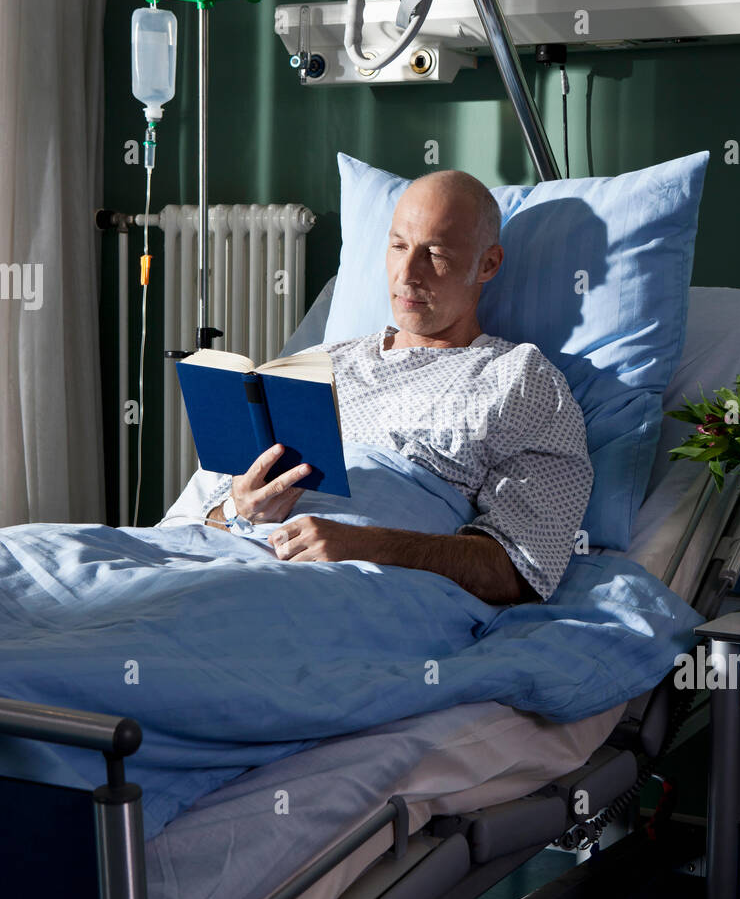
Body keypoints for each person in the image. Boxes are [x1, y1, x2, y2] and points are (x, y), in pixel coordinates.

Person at [177, 169, 593, 604]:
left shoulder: (521, 380)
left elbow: (517, 569)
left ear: (488, 264)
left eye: (434, 252)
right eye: (398, 246)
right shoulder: (318, 363)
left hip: (340, 590)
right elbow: (185, 527)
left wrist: (362, 544)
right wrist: (236, 512)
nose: (407, 274)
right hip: (221, 557)